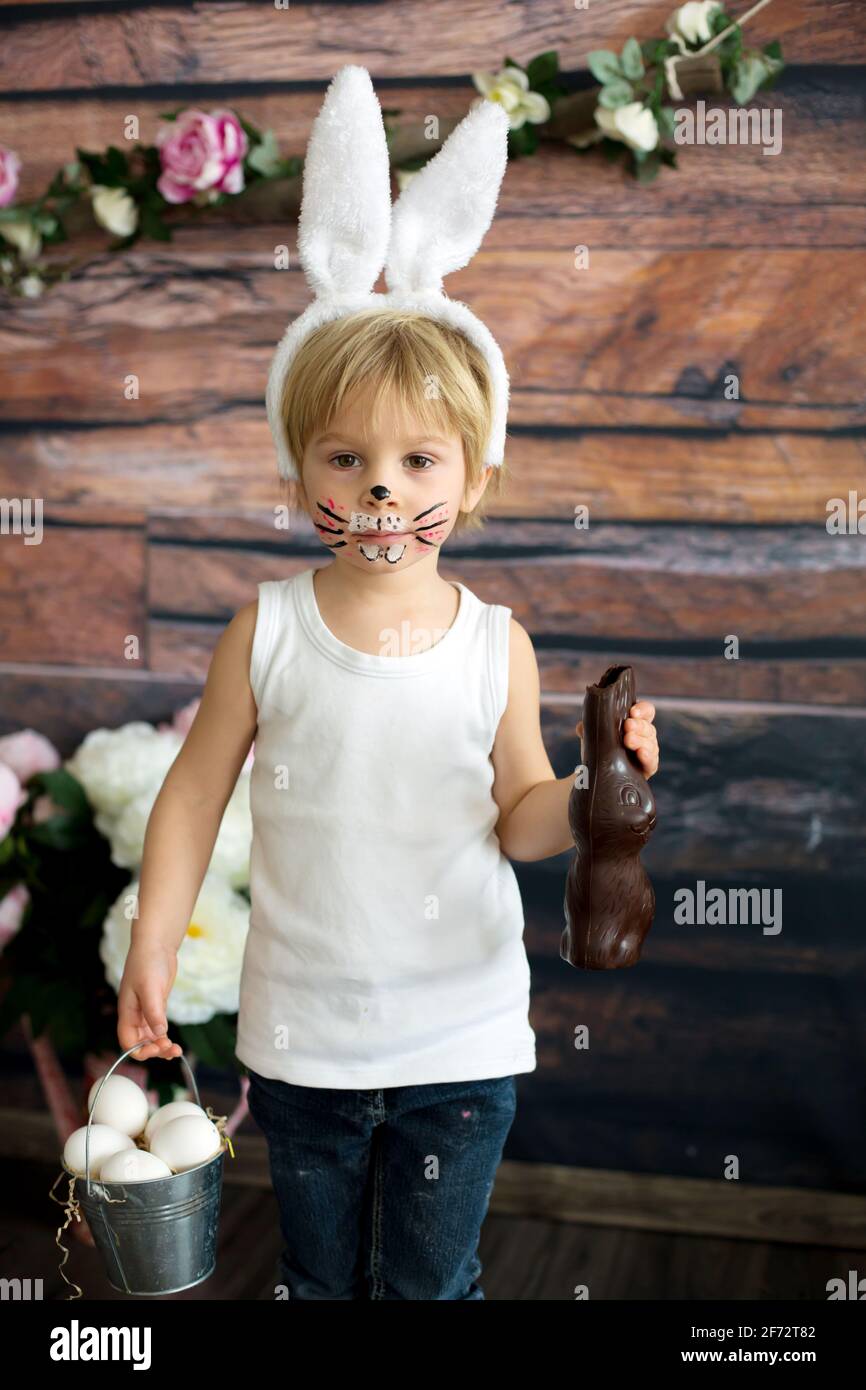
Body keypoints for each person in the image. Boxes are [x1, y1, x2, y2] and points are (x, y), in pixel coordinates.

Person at [116, 69, 659, 1301]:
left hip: (459, 1033)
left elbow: (517, 809)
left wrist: (590, 797)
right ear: (296, 461)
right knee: (315, 1276)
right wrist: (152, 943)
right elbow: (195, 796)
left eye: (416, 458)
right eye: (344, 456)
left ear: (472, 477)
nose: (377, 488)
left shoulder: (494, 642)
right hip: (305, 1037)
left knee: (428, 1279)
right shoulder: (265, 630)